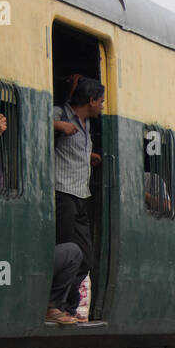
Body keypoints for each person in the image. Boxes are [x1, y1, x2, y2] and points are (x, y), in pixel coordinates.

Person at [52, 75, 104, 318]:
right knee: (65, 253)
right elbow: (33, 123)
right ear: (91, 100)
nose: (103, 106)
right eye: (101, 101)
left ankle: (67, 304)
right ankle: (56, 306)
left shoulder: (87, 124)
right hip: (62, 193)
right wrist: (57, 126)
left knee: (85, 258)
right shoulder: (59, 114)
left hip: (81, 195)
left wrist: (88, 156)